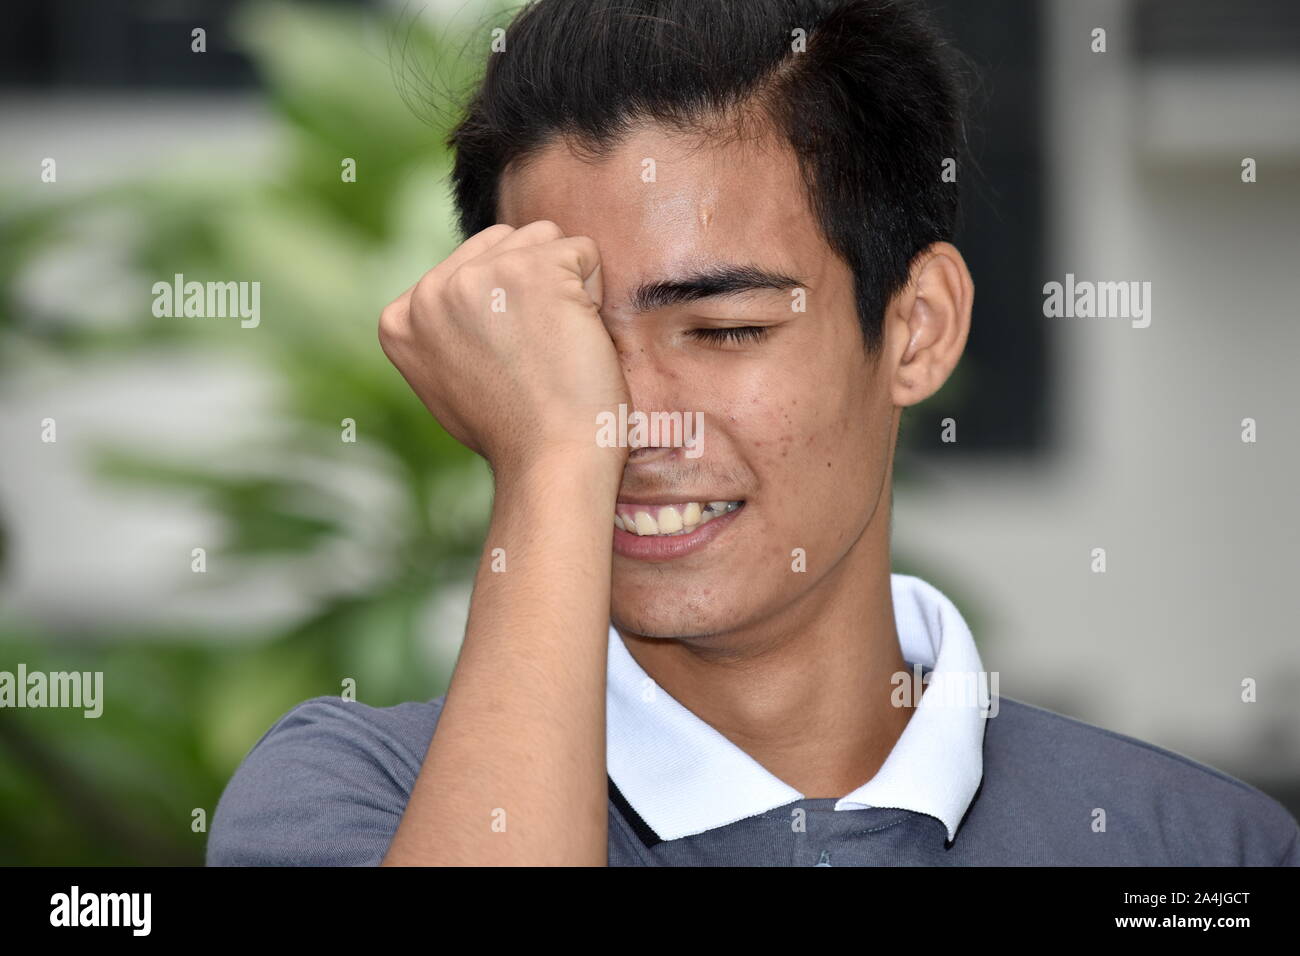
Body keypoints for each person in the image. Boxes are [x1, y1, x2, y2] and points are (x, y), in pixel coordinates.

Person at [206, 0, 1300, 866]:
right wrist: (548, 469)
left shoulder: (1192, 847)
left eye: (723, 328)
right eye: (568, 343)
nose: (628, 414)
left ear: (916, 329)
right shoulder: (358, 798)